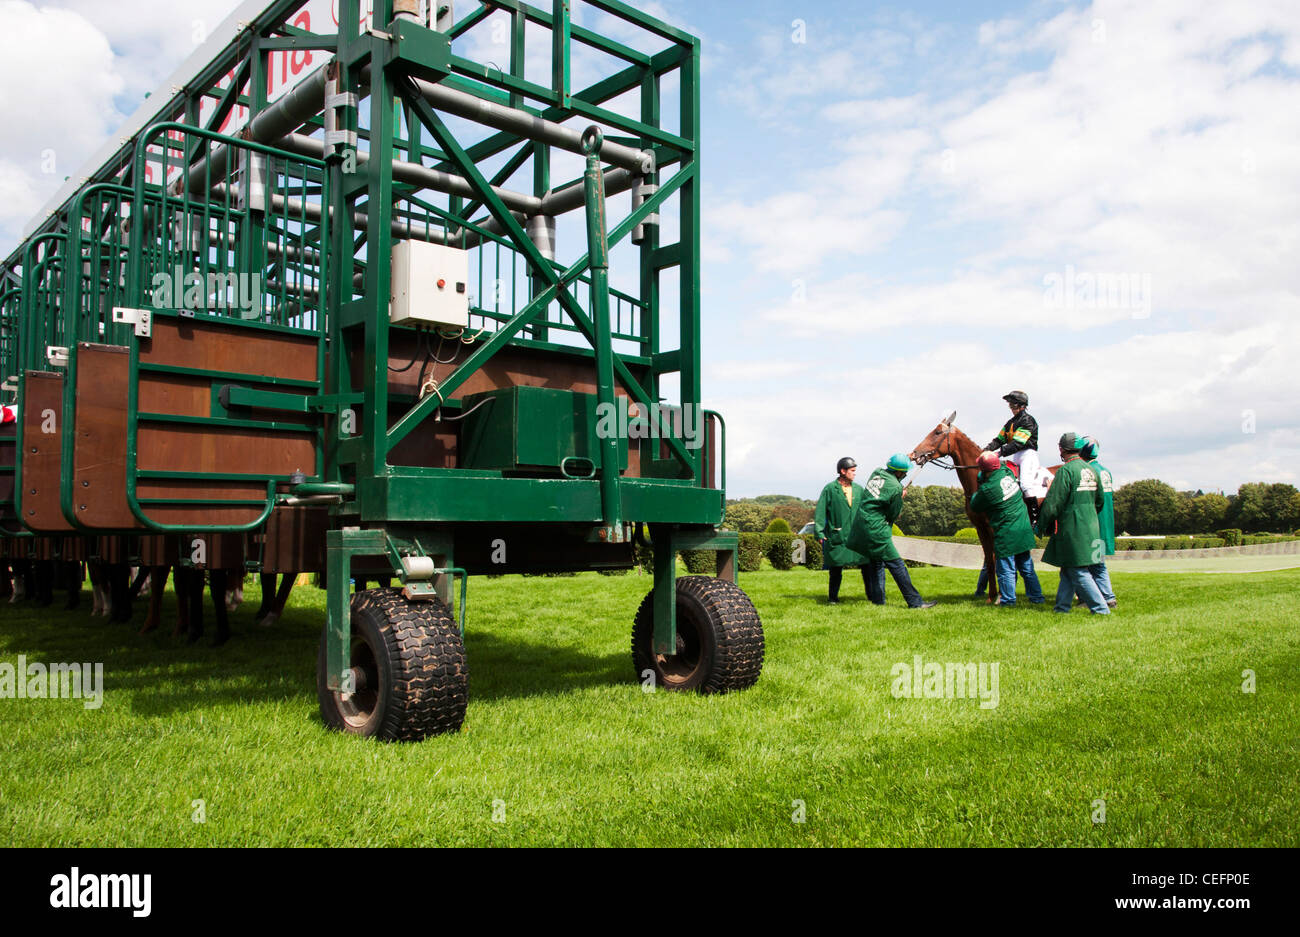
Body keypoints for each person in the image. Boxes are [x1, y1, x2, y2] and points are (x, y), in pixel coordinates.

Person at [847, 453, 937, 609]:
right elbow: (892, 514)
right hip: (877, 529)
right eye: (904, 471)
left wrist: (907, 458)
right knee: (897, 565)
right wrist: (900, 496)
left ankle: (878, 602)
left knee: (876, 563)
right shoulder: (896, 488)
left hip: (862, 524)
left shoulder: (877, 472)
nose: (906, 474)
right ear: (899, 473)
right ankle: (915, 603)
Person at [1036, 433, 1109, 614]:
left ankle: (1101, 608)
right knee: (1068, 569)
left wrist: (1040, 525)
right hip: (1091, 525)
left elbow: (1054, 503)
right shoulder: (1091, 470)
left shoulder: (1065, 471)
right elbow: (1100, 501)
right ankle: (1061, 608)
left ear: (1061, 449)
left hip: (1072, 527)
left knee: (1078, 571)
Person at [969, 451, 1044, 606]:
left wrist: (981, 483)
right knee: (1026, 568)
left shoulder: (988, 488)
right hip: (1023, 528)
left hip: (1007, 531)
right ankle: (1037, 598)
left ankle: (1008, 601)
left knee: (1006, 569)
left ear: (984, 470)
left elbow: (975, 505)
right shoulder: (1007, 472)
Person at [814, 457, 871, 604]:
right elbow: (820, 511)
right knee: (835, 568)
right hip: (837, 535)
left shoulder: (859, 489)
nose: (854, 473)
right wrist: (819, 532)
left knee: (866, 567)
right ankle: (833, 598)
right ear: (842, 471)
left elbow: (867, 509)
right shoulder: (830, 489)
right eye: (852, 471)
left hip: (857, 536)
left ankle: (871, 596)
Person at [982, 390, 1051, 507]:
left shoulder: (1028, 420)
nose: (1010, 407)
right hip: (1016, 456)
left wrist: (999, 453)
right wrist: (985, 450)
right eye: (1009, 404)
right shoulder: (1010, 423)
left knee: (1025, 485)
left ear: (1021, 405)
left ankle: (1034, 517)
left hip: (1028, 455)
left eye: (1012, 404)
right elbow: (999, 440)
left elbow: (1018, 443)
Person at [1080, 436, 1117, 608]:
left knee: (1092, 564)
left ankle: (1104, 597)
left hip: (1094, 524)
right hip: (1106, 522)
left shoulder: (1089, 472)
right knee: (1097, 562)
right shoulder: (1105, 471)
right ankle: (1106, 597)